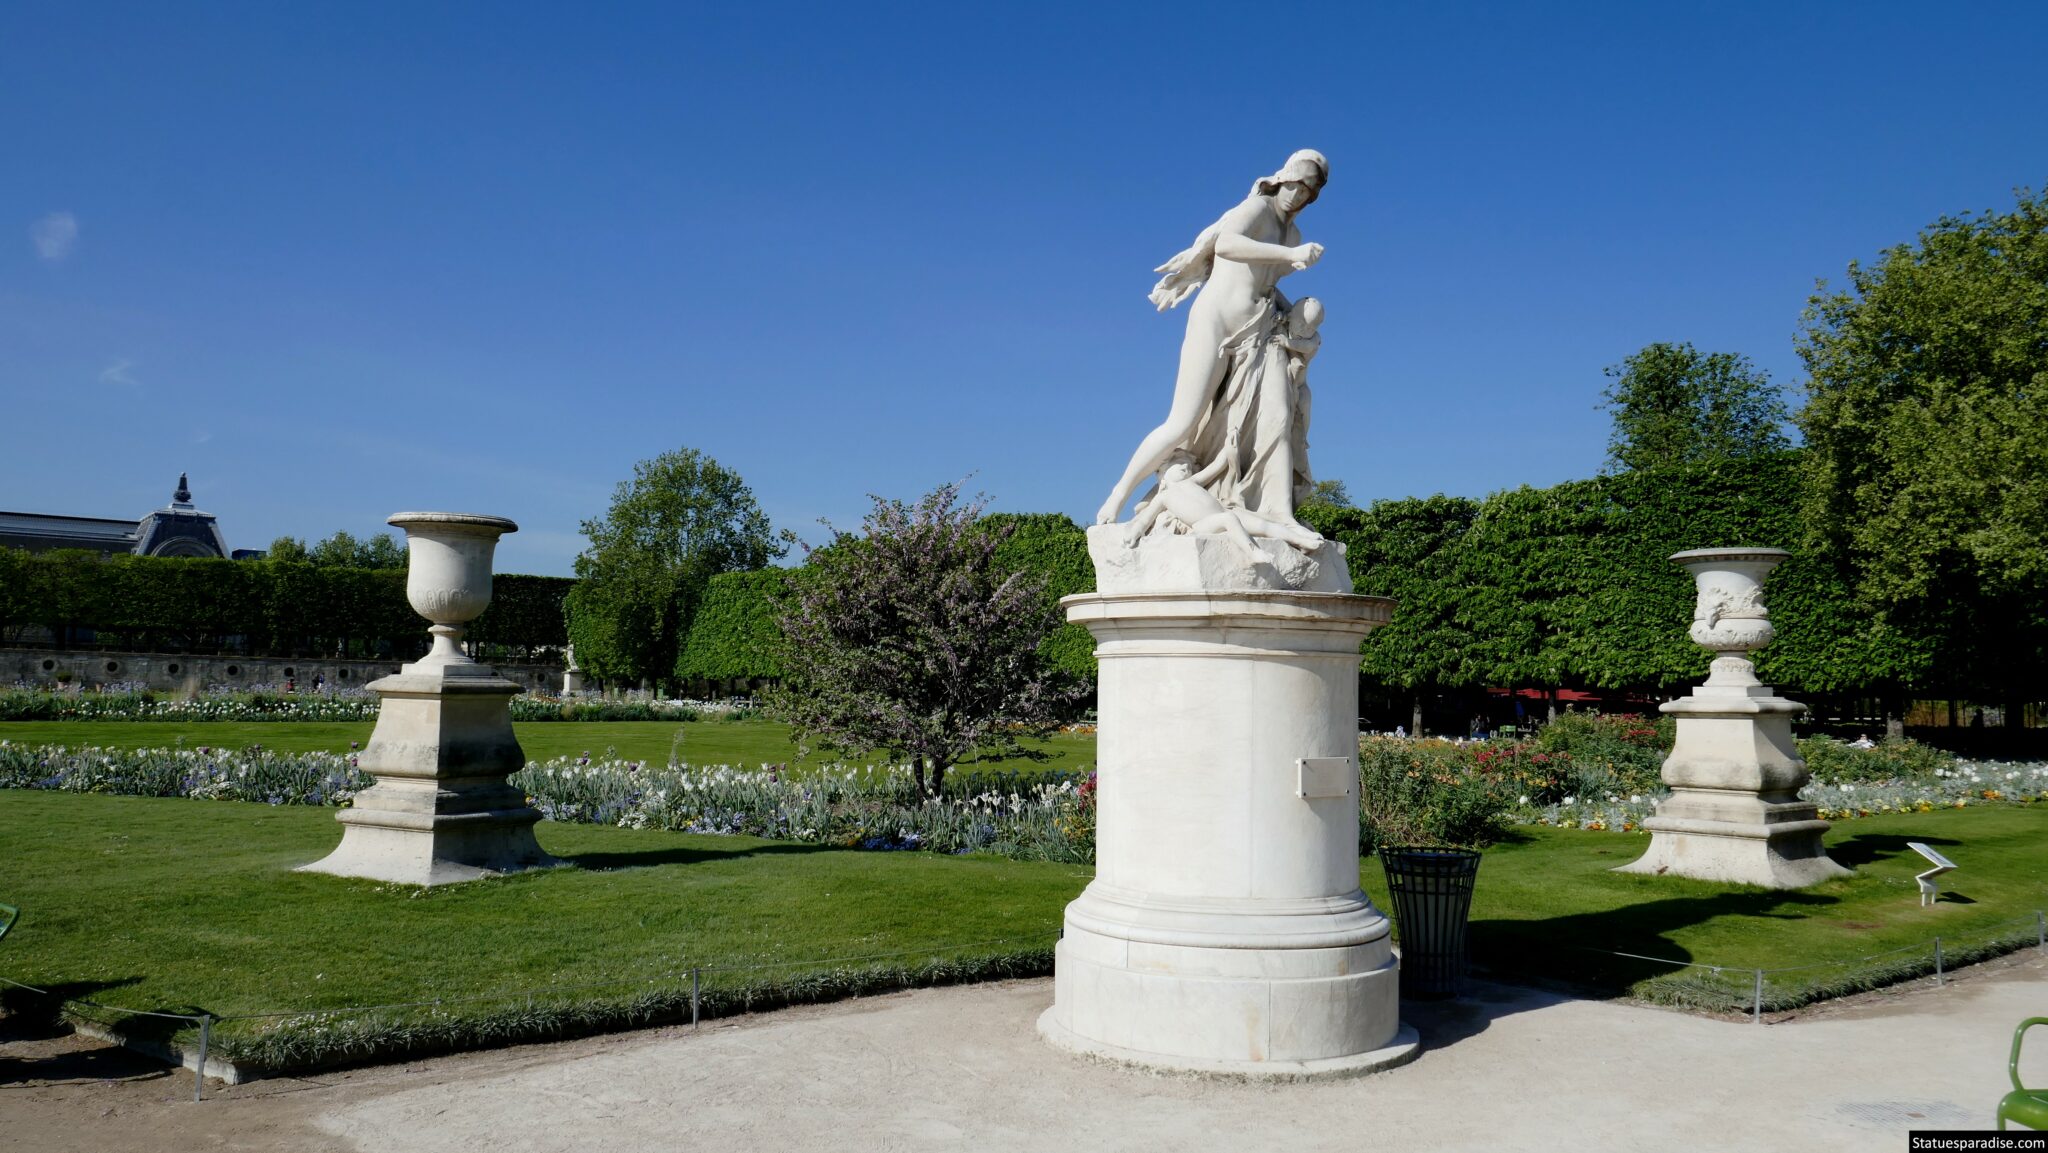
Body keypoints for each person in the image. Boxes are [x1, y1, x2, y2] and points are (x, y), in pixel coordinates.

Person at [1098, 150, 1329, 528]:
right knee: (1182, 422)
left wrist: (1296, 315)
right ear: (1282, 179)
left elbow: (1265, 283)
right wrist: (1290, 254)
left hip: (1255, 330)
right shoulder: (1258, 208)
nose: (1297, 195)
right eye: (1294, 185)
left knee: (1272, 417)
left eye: (1307, 192)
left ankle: (1265, 506)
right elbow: (1226, 245)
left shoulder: (1294, 234)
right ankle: (1119, 494)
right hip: (1216, 322)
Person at [1119, 448, 1326, 563]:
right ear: (1162, 474)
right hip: (1202, 524)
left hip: (1226, 513)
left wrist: (1229, 446)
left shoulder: (1192, 482)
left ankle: (1301, 540)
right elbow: (1145, 519)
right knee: (1227, 519)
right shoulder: (1164, 497)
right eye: (1179, 464)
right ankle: (1253, 553)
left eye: (1188, 465)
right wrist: (1135, 530)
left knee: (1264, 525)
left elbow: (1216, 466)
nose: (1185, 467)